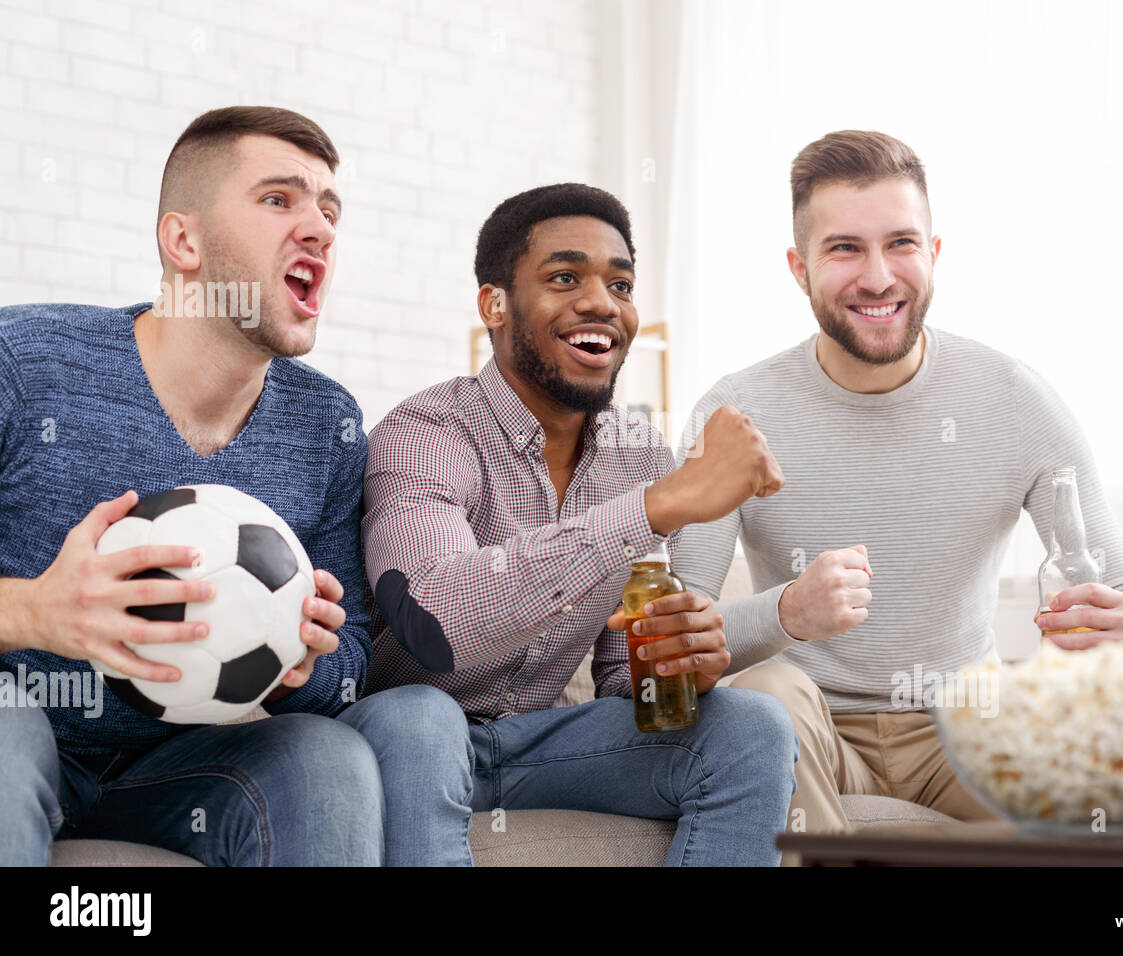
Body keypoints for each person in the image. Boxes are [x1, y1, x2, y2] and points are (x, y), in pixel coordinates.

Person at [668, 130, 1123, 861]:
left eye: (901, 243)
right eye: (844, 249)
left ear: (934, 254)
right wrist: (786, 613)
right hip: (808, 721)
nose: (879, 276)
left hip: (970, 724)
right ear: (799, 269)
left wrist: (1122, 623)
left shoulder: (1013, 398)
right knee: (763, 701)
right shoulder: (733, 415)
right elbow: (670, 649)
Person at [0, 106, 450, 867]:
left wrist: (304, 664)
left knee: (323, 758)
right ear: (184, 241)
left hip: (183, 769)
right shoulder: (24, 362)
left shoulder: (328, 424)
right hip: (21, 728)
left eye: (328, 209)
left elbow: (349, 657)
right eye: (280, 200)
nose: (319, 228)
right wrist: (34, 609)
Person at [360, 183, 798, 866]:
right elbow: (433, 622)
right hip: (408, 740)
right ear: (494, 305)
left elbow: (626, 679)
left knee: (753, 725)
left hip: (547, 746)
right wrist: (652, 507)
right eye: (565, 277)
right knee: (421, 718)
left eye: (620, 284)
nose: (601, 302)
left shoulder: (639, 456)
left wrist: (682, 662)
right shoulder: (426, 433)